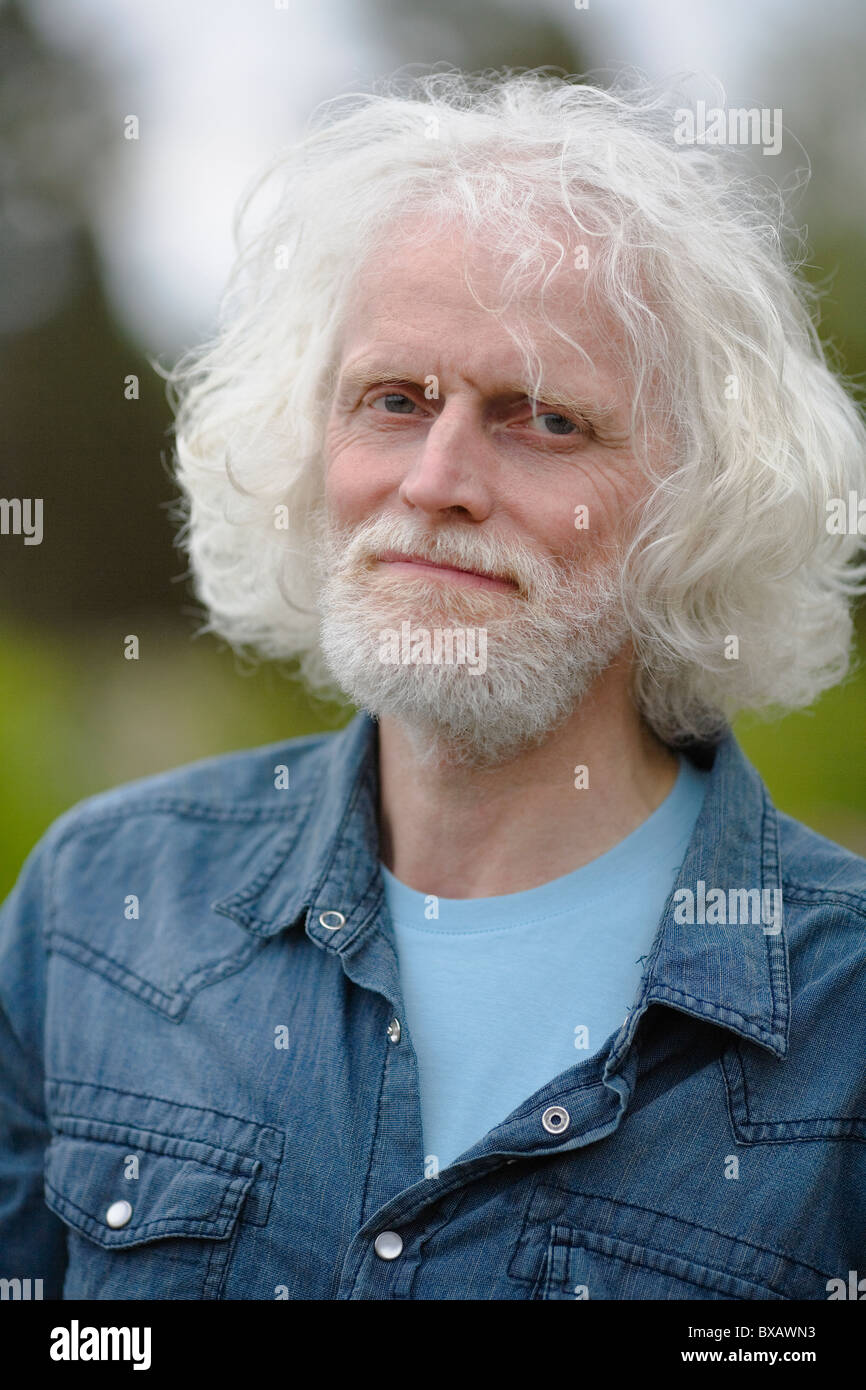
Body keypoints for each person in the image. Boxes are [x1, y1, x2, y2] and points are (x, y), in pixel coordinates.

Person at [2, 70, 866, 1302]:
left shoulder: (843, 1010)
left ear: (699, 507)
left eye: (544, 419)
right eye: (394, 401)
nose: (437, 478)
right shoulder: (95, 905)